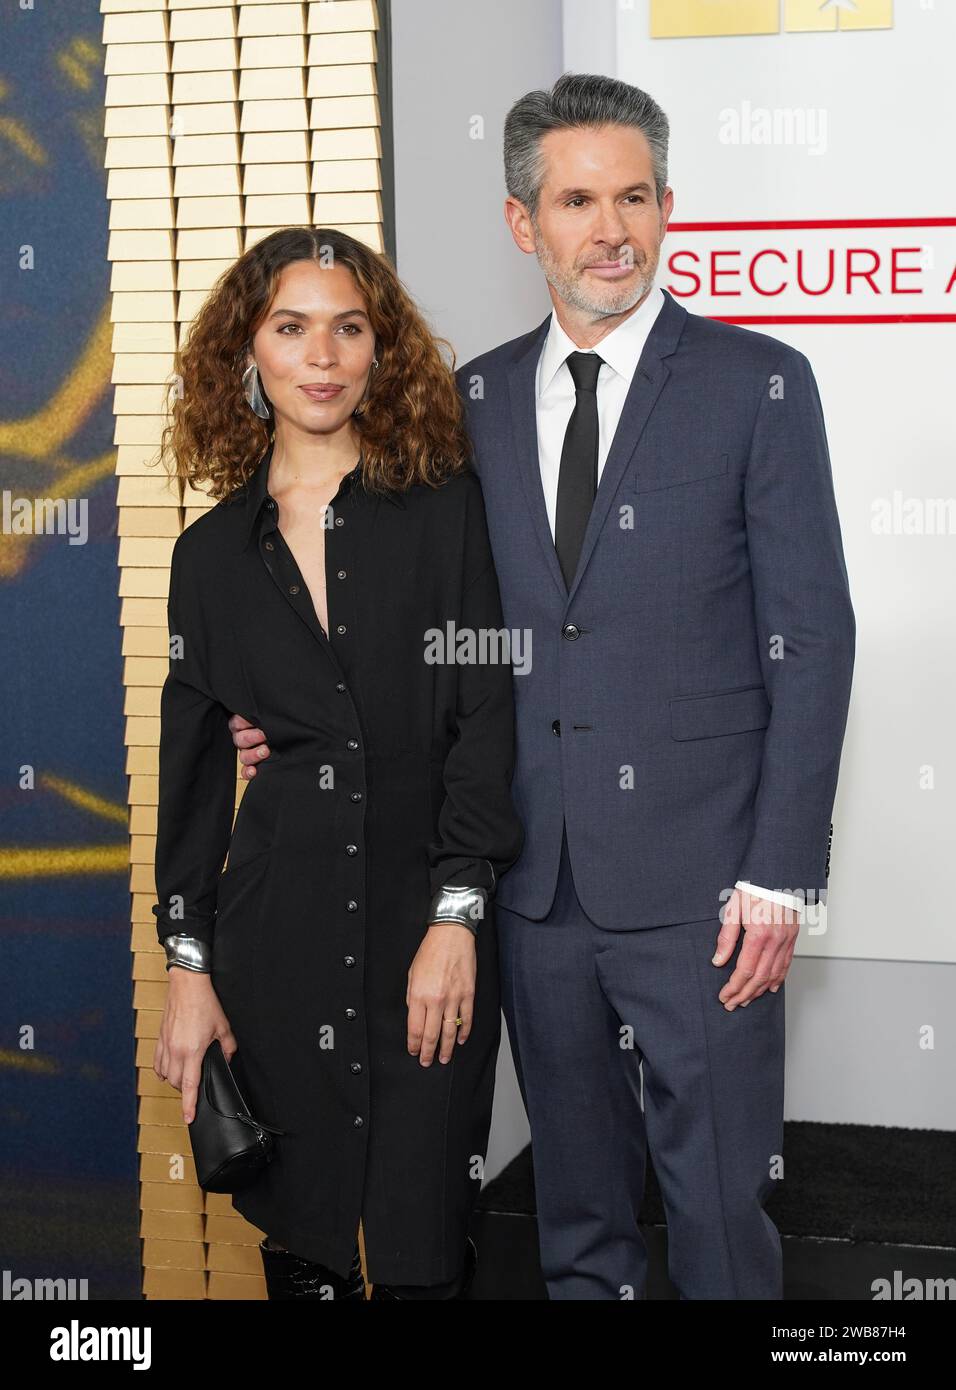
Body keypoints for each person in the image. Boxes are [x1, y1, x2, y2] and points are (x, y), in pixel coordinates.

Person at [233, 75, 856, 1300]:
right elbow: (425, 631)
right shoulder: (463, 406)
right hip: (529, 883)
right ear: (524, 223)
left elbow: (813, 634)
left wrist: (781, 870)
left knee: (721, 1213)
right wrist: (299, 728)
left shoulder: (756, 383)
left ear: (668, 206)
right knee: (572, 1211)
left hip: (707, 887)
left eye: (632, 195)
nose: (608, 227)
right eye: (576, 200)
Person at [150, 225, 524, 1300]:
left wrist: (456, 914)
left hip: (428, 922)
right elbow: (189, 781)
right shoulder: (208, 556)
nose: (321, 355)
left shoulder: (444, 508)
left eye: (348, 328)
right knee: (305, 1240)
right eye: (291, 327)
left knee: (421, 1236)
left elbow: (483, 712)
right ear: (247, 354)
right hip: (276, 935)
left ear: (379, 351)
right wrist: (188, 969)